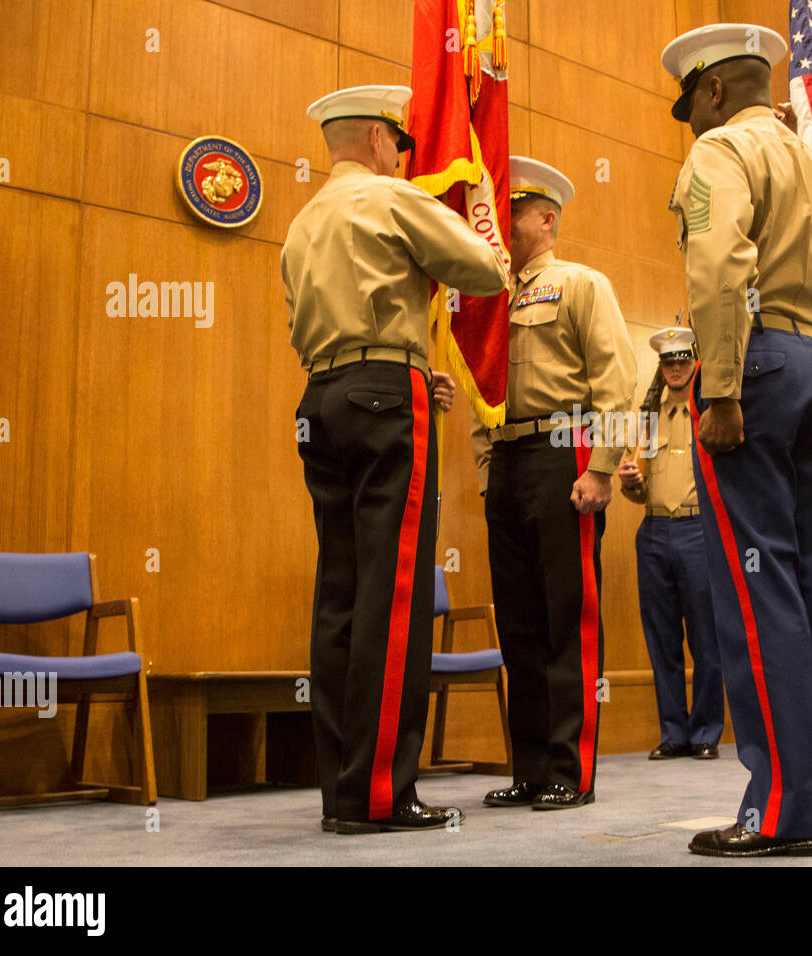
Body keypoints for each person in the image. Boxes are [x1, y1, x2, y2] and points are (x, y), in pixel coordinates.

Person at [662, 22, 812, 857]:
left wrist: (717, 390)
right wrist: (806, 151)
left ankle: (782, 810)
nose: (689, 119)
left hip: (751, 369)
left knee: (758, 596)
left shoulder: (719, 151)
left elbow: (718, 267)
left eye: (692, 103)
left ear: (716, 92)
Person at [281, 85, 509, 833]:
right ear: (381, 141)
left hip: (323, 400)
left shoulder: (300, 224)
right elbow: (482, 268)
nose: (403, 157)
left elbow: (306, 326)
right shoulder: (389, 197)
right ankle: (382, 793)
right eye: (400, 145)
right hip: (387, 397)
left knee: (340, 594)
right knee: (396, 590)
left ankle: (343, 793)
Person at [472, 156, 637, 810]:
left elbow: (617, 384)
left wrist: (601, 468)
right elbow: (485, 390)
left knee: (568, 617)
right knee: (518, 623)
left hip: (564, 452)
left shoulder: (580, 283)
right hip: (508, 463)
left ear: (547, 218)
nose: (501, 220)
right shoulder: (487, 297)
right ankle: (531, 769)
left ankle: (571, 769)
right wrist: (487, 471)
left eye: (514, 210)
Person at [618, 327, 724, 761]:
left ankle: (705, 732)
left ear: (695, 361)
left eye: (683, 359)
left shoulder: (712, 413)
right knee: (661, 638)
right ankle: (673, 732)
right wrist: (631, 485)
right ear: (661, 367)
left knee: (706, 638)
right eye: (669, 361)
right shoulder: (646, 417)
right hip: (655, 532)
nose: (676, 367)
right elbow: (636, 488)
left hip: (700, 531)